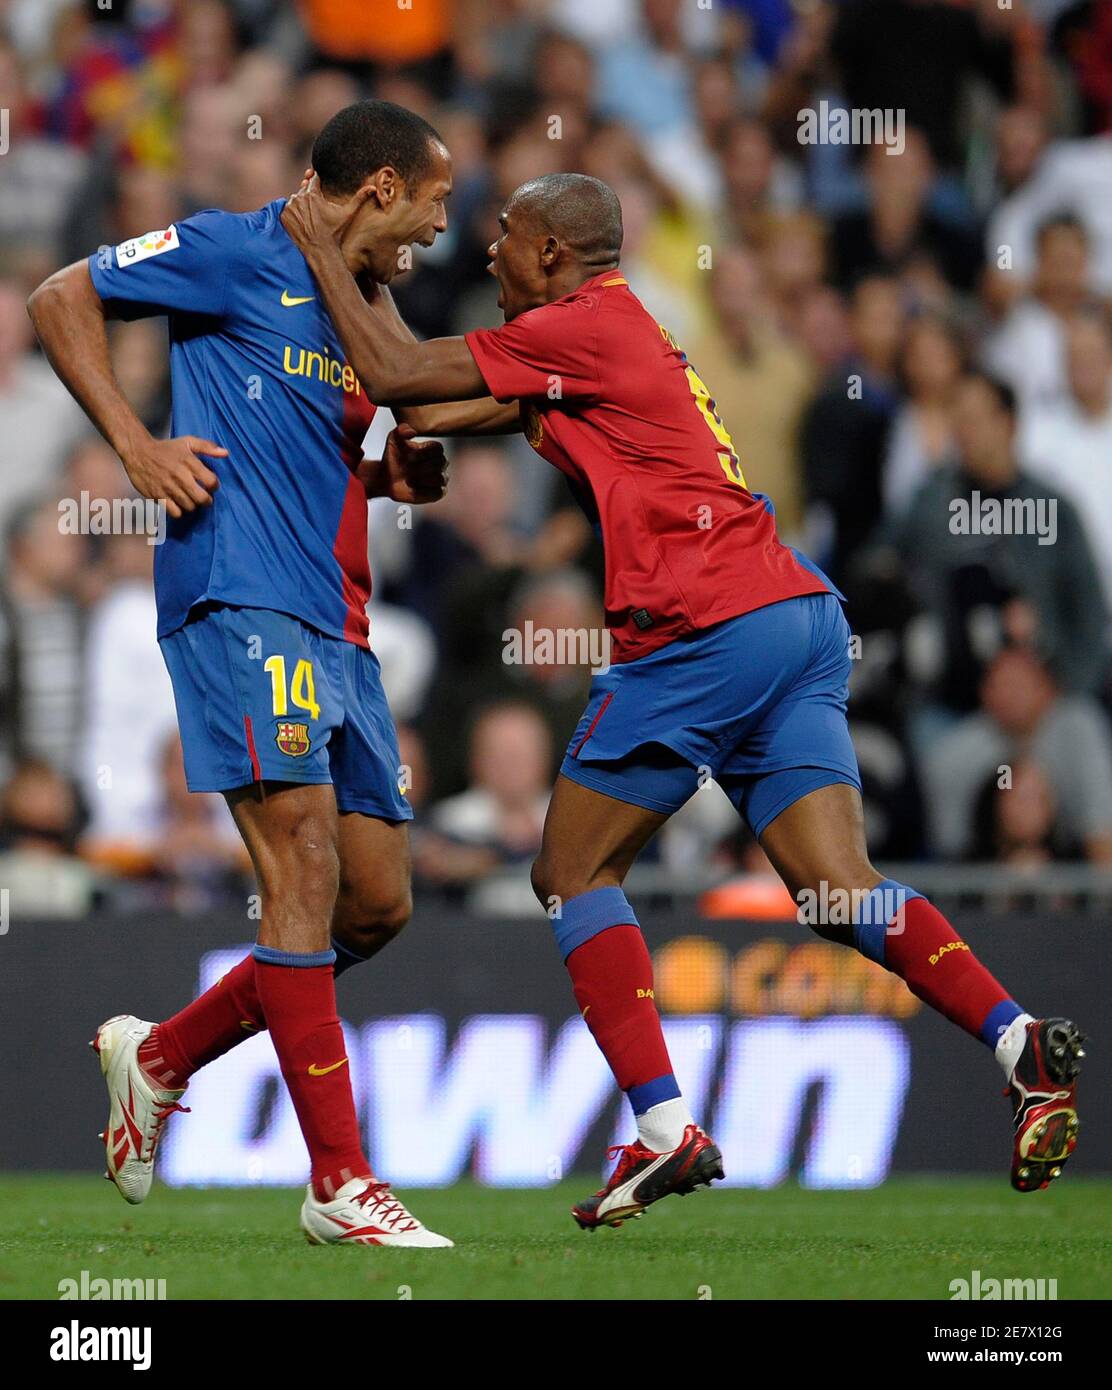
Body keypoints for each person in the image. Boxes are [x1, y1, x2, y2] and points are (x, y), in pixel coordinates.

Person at [280, 168, 1086, 1227]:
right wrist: (378, 427)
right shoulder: (605, 335)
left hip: (705, 628)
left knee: (568, 870)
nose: (487, 254)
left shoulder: (577, 325)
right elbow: (430, 397)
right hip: (791, 616)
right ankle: (1015, 1038)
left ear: (555, 257)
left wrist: (336, 249)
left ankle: (661, 1126)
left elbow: (392, 369)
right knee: (836, 888)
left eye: (507, 240)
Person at [28, 99, 517, 1250]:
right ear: (381, 187)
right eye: (435, 201)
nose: (441, 228)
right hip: (239, 596)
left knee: (376, 901)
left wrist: (388, 475)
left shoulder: (369, 308)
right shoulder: (231, 247)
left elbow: (310, 438)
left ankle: (160, 1056)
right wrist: (134, 444)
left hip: (337, 618)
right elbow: (61, 298)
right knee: (299, 854)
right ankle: (340, 1181)